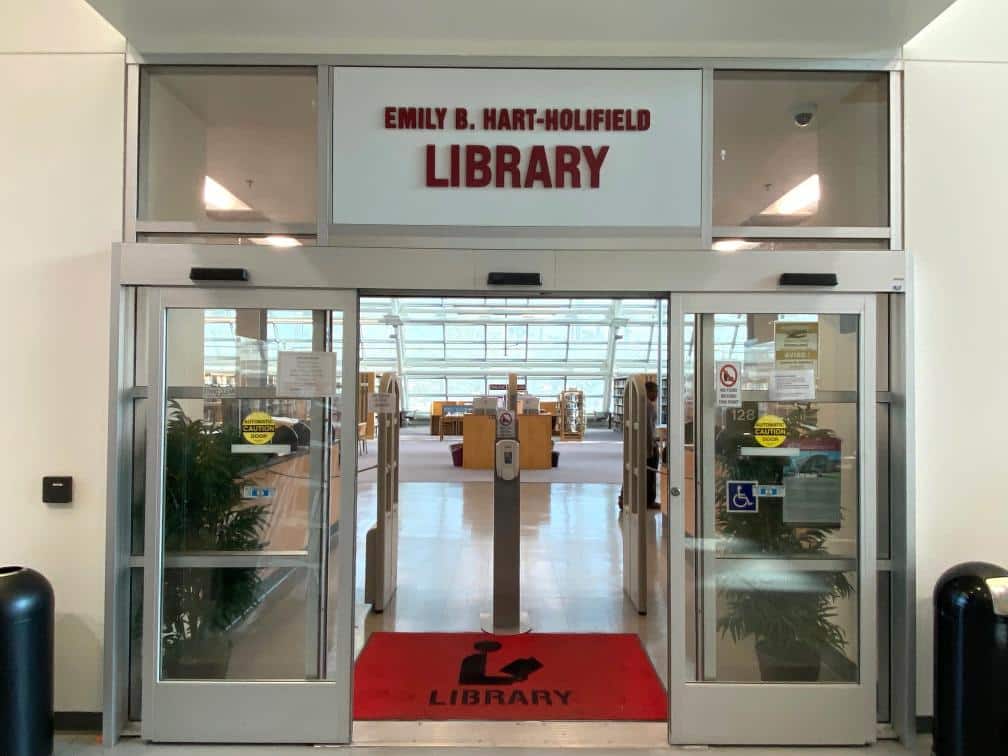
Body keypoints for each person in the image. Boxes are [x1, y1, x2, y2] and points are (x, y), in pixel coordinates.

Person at [644, 380, 660, 510]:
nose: (657, 395)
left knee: (647, 474)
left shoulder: (641, 404)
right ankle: (650, 500)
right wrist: (651, 447)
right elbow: (649, 428)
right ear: (649, 392)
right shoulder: (649, 406)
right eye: (655, 392)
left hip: (646, 444)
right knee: (651, 474)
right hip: (650, 446)